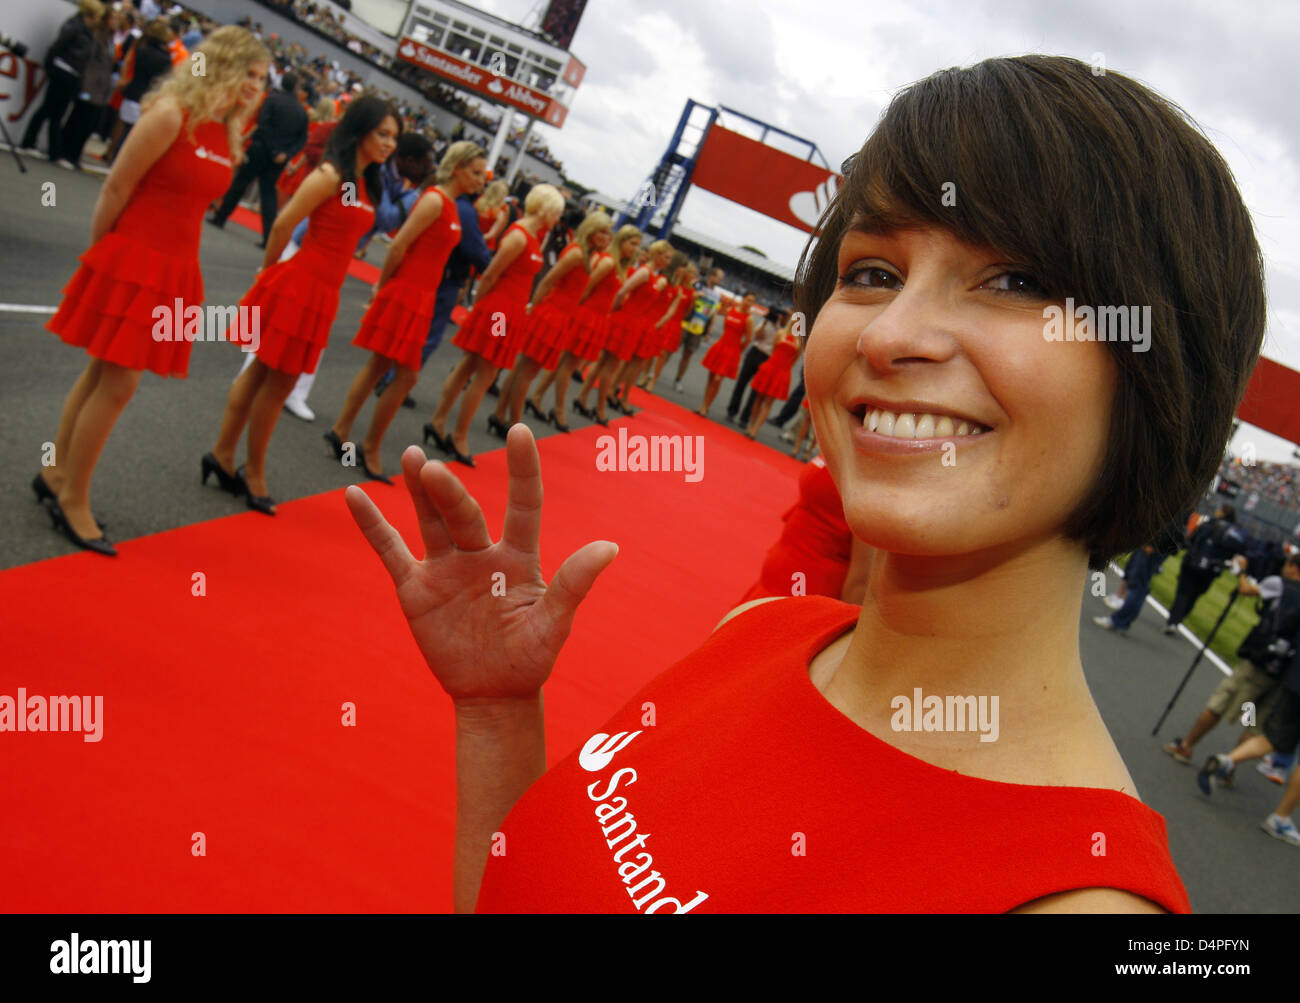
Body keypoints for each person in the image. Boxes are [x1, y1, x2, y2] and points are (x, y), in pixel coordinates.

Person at [344, 54, 1265, 912]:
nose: (887, 333)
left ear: (1159, 369)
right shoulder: (765, 629)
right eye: (872, 271)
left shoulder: (1079, 898)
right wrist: (498, 715)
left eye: (1014, 280)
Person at [35, 26, 269, 556]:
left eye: (262, 77)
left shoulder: (226, 130)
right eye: (249, 73)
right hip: (133, 259)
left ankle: (54, 473)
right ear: (222, 66)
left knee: (102, 371)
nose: (257, 85)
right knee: (119, 383)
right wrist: (104, 259)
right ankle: (73, 496)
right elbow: (117, 184)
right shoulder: (170, 113)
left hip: (177, 271)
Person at [208, 95, 399, 514]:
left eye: (393, 137)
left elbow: (348, 223)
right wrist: (268, 272)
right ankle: (252, 471)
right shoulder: (331, 174)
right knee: (273, 383)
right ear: (360, 130)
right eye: (382, 134)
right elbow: (282, 223)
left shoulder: (361, 181)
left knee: (266, 375)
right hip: (299, 285)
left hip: (322, 293)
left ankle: (223, 456)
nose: (389, 143)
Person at [323, 141, 487, 483]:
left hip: (423, 296)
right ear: (456, 167)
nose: (480, 181)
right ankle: (367, 445)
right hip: (407, 292)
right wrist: (382, 287)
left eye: (482, 175)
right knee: (404, 374)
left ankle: (343, 432)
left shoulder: (453, 206)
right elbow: (399, 245)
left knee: (380, 367)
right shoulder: (434, 200)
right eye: (474, 173)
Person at [424, 184, 566, 467]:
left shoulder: (531, 235)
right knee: (484, 372)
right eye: (557, 212)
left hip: (508, 310)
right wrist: (483, 308)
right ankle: (458, 434)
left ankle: (440, 423)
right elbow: (490, 275)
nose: (557, 218)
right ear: (548, 209)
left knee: (471, 368)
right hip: (500, 311)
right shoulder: (519, 235)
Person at [1164, 554, 1300, 767]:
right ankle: (1229, 767)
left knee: (1220, 703)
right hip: (1283, 671)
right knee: (1254, 723)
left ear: (1293, 567)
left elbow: (1246, 589)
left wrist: (1241, 572)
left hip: (1258, 662)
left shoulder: (1280, 584)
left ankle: (1186, 746)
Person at [489, 211, 614, 434]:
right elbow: (548, 281)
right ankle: (514, 423)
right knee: (527, 371)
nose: (607, 237)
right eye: (603, 231)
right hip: (552, 314)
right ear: (591, 230)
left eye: (609, 233)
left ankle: (501, 416)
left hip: (559, 316)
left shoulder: (586, 254)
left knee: (523, 369)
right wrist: (534, 309)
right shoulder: (577, 253)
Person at [530, 224, 641, 429]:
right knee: (567, 363)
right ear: (621, 242)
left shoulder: (619, 266)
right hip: (585, 315)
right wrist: (576, 313)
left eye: (637, 245)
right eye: (632, 244)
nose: (635, 249)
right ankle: (558, 408)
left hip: (596, 318)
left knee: (565, 361)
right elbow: (586, 288)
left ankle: (537, 396)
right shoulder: (607, 262)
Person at [207, 71, 308, 247]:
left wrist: (273, 149)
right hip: (279, 158)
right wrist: (286, 154)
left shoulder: (272, 100)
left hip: (261, 149)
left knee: (240, 184)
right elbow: (302, 140)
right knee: (268, 194)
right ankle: (268, 236)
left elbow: (263, 125)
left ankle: (220, 217)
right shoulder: (302, 112)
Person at [20, 0, 104, 161]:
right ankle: (33, 144)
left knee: (55, 112)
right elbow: (58, 46)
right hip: (62, 70)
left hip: (72, 73)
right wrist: (50, 65)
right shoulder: (74, 27)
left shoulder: (86, 30)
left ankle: (51, 150)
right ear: (90, 15)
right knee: (49, 109)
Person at [1163, 503, 1249, 634]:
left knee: (1183, 593)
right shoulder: (1234, 533)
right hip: (1212, 569)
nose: (1217, 511)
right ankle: (1178, 619)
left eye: (1219, 509)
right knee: (1194, 595)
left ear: (1223, 513)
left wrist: (1190, 550)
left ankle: (1173, 621)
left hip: (1194, 563)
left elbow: (1193, 540)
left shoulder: (1209, 523)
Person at [1092, 518, 1187, 634]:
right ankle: (1121, 614)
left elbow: (1174, 521)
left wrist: (1153, 544)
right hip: (1155, 543)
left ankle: (1119, 621)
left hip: (1155, 546)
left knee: (1137, 585)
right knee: (1135, 579)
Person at [696, 292, 755, 418]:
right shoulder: (730, 310)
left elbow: (748, 339)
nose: (749, 303)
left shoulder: (749, 319)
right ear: (743, 299)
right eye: (748, 299)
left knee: (718, 379)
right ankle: (703, 405)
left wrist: (738, 350)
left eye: (752, 301)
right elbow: (725, 327)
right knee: (711, 376)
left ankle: (706, 406)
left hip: (732, 350)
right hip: (721, 345)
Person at [743, 311, 801, 439]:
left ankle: (755, 429)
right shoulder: (781, 333)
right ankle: (751, 425)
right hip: (770, 367)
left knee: (768, 403)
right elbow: (774, 350)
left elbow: (795, 359)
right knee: (758, 398)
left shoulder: (800, 342)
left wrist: (784, 370)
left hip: (782, 372)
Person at [672, 267, 724, 392]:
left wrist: (709, 330)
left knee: (688, 354)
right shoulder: (697, 285)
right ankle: (653, 372)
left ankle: (678, 379)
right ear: (711, 276)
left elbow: (714, 313)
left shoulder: (718, 296)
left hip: (699, 326)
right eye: (718, 278)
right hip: (686, 321)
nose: (719, 281)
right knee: (670, 347)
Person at [729, 305, 781, 425]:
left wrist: (777, 327)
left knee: (756, 390)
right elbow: (756, 336)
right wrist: (765, 323)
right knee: (741, 383)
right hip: (755, 351)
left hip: (767, 357)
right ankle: (732, 410)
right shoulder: (764, 322)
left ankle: (745, 418)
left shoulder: (781, 330)